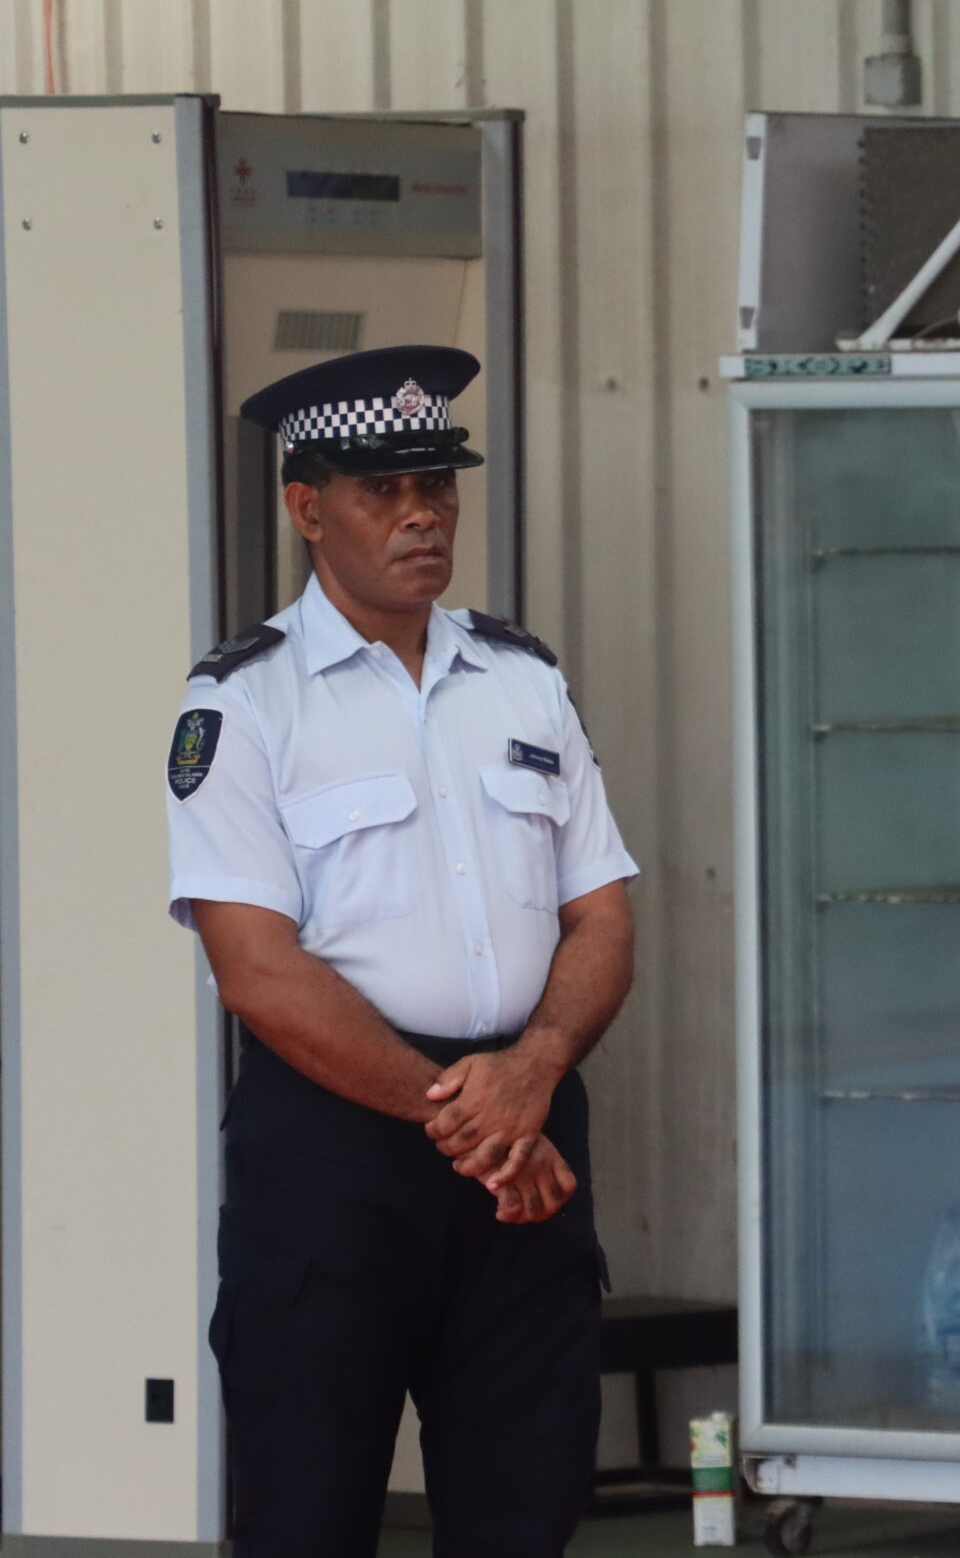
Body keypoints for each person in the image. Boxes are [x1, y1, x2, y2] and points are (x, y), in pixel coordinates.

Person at [164, 344, 639, 1556]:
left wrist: (529, 1074)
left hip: (526, 1141)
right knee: (308, 1513)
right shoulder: (243, 704)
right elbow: (256, 969)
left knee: (523, 1510)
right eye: (385, 490)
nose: (424, 514)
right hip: (342, 1158)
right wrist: (470, 1119)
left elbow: (601, 916)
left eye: (439, 484)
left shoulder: (523, 680)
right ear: (307, 507)